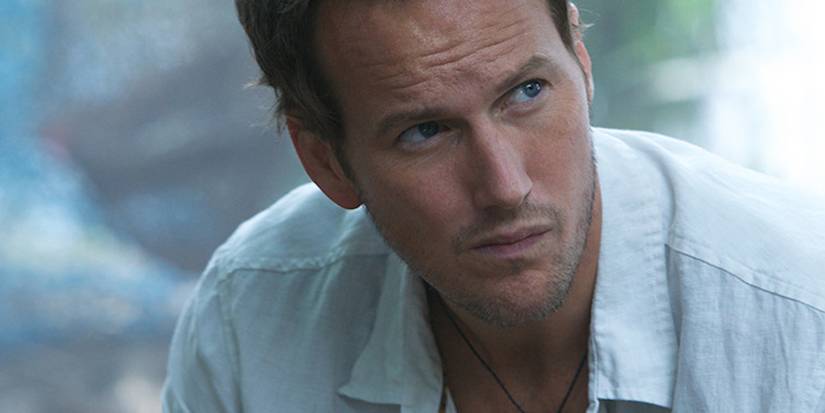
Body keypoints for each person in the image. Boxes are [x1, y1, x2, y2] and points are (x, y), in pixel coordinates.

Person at [162, 0, 825, 412]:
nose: (505, 187)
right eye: (425, 131)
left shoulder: (801, 316)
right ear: (327, 162)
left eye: (527, 92)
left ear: (581, 62)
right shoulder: (249, 316)